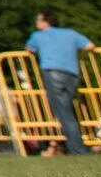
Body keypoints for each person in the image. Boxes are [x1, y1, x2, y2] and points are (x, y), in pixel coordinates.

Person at [26, 10, 94, 155]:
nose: (37, 23)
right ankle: (75, 147)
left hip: (53, 74)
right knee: (68, 110)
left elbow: (30, 49)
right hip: (72, 75)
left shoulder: (38, 36)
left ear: (46, 22)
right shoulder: (70, 33)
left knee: (64, 114)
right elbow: (90, 46)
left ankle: (78, 150)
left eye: (39, 20)